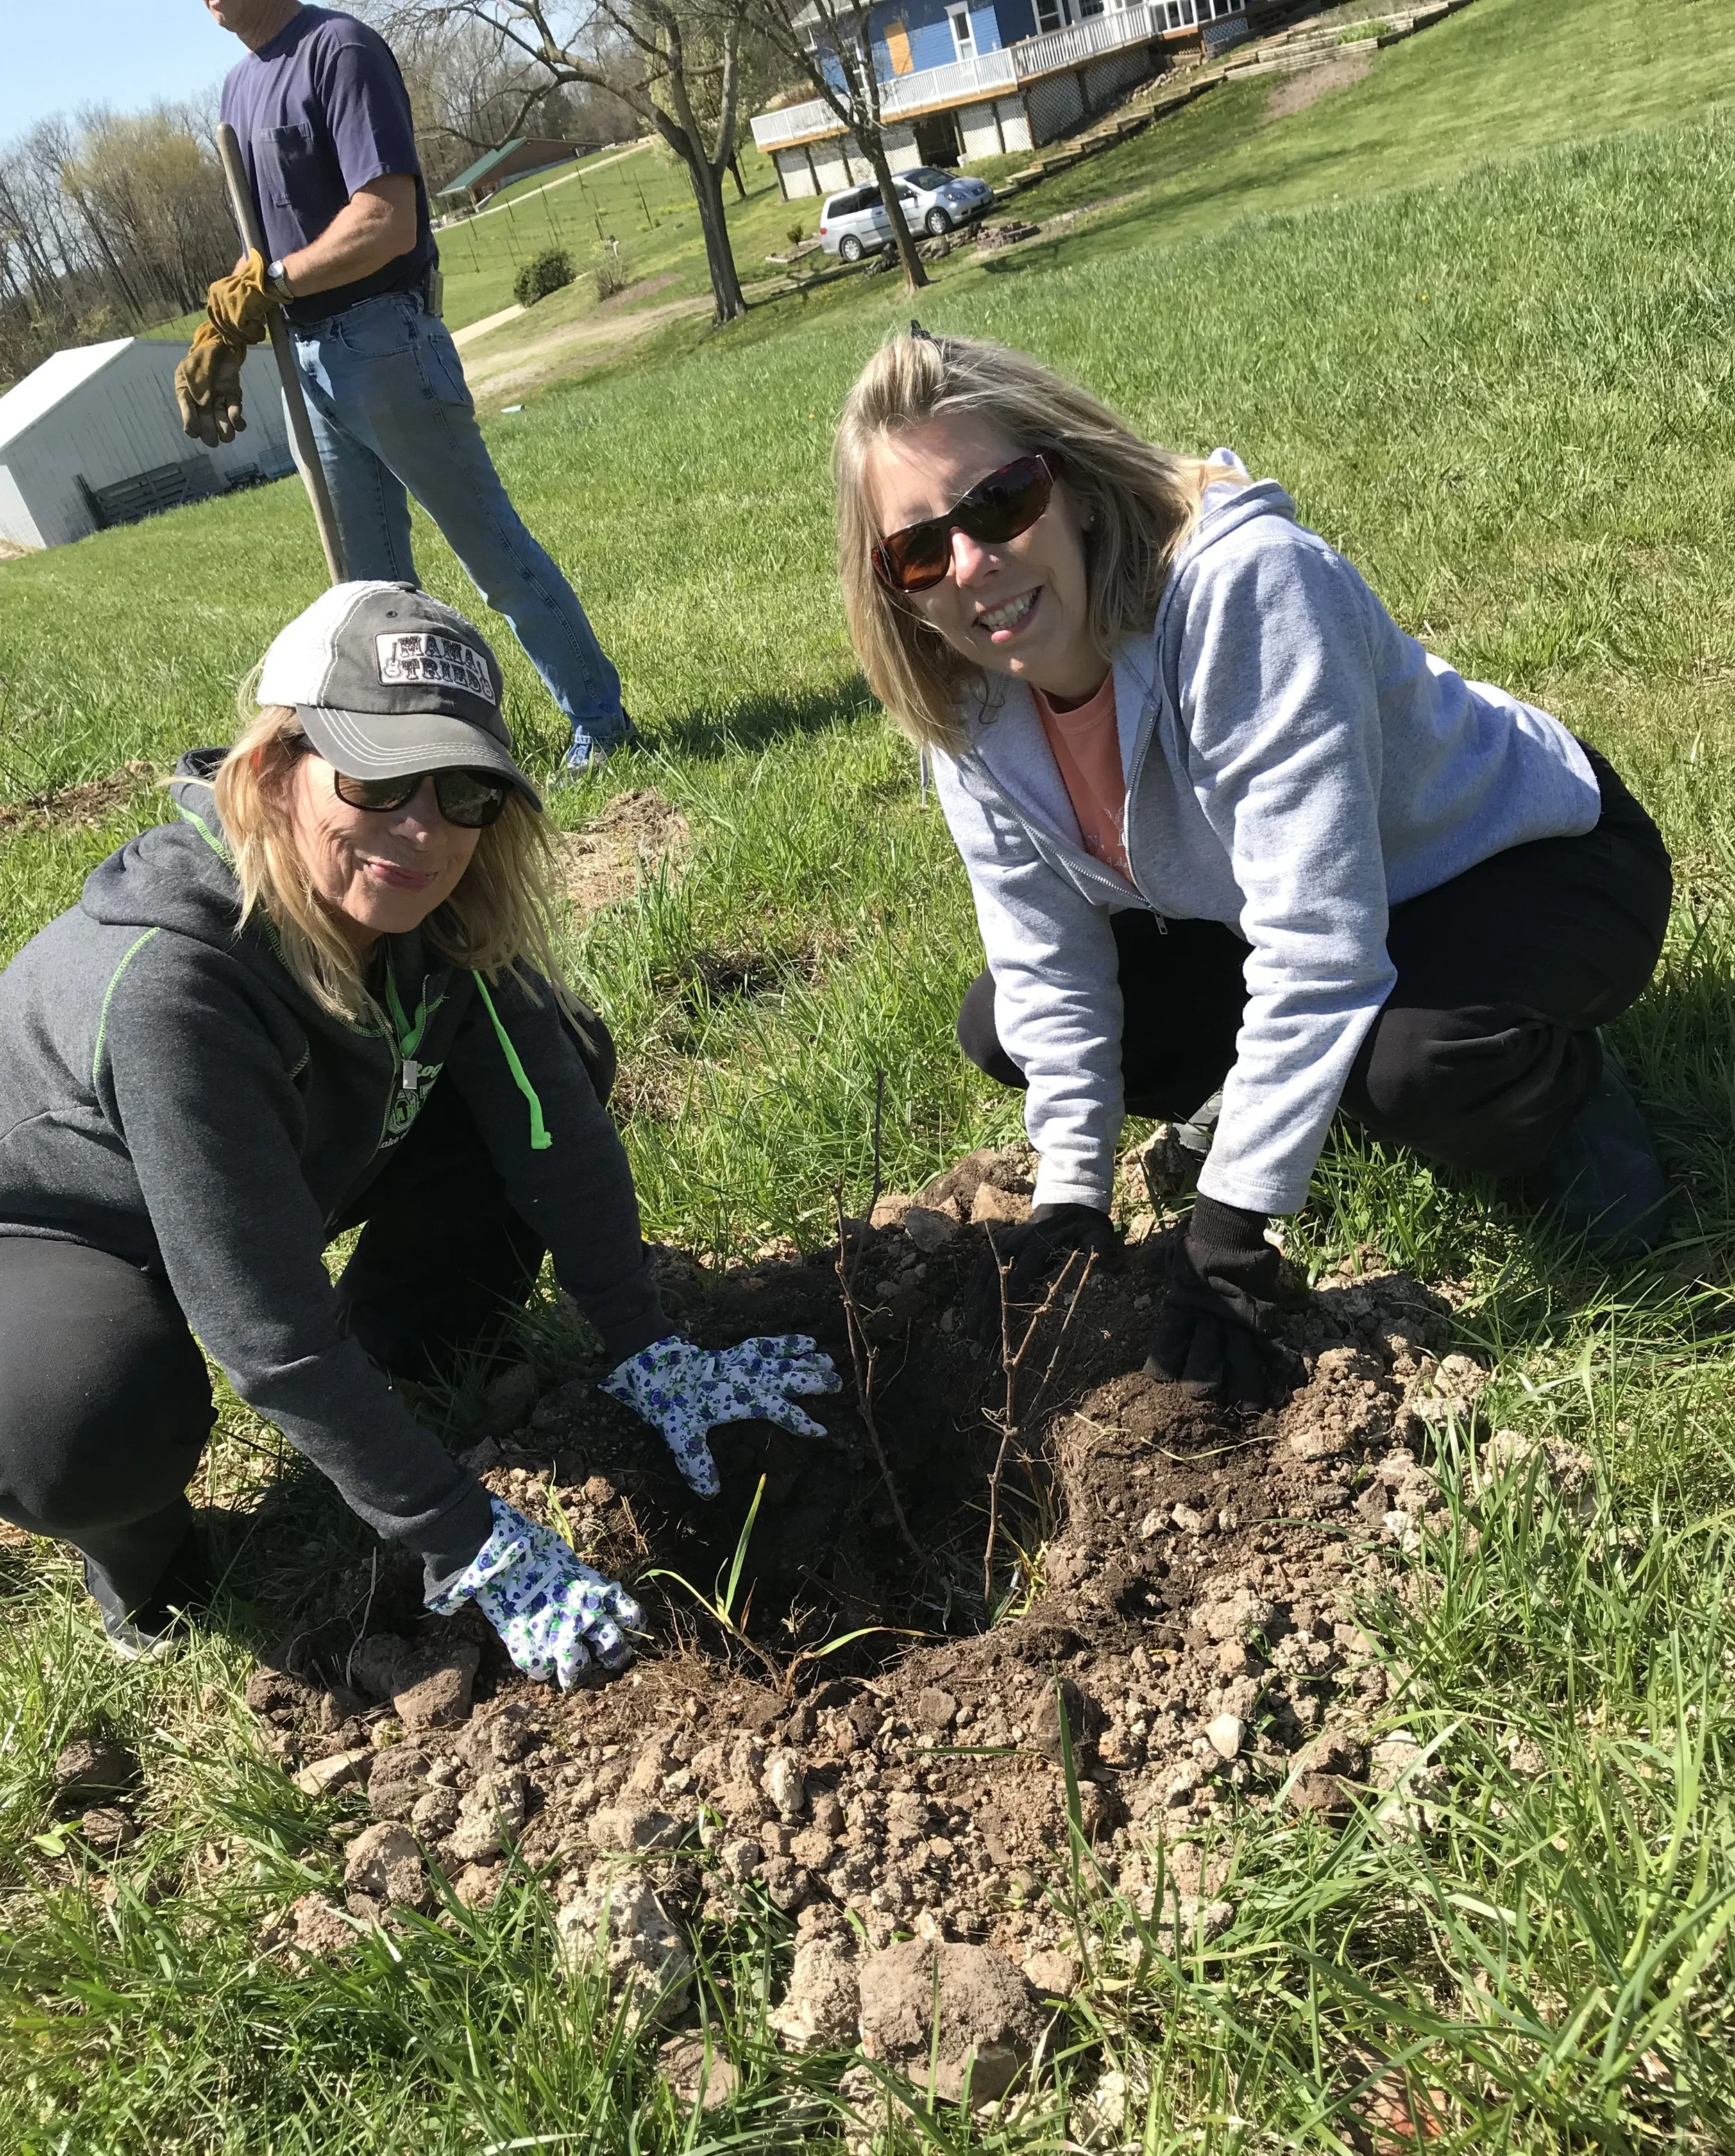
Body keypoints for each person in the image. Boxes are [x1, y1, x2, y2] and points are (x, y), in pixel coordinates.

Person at [833, 327, 1674, 1406]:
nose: (969, 565)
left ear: (1077, 488)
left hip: (1520, 861)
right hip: (1272, 906)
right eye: (916, 551)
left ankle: (1560, 1097)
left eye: (998, 503)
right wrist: (1073, 1201)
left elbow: (1320, 943)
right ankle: (1285, 1094)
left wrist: (1228, 1231)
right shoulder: (970, 705)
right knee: (1000, 1020)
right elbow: (1051, 969)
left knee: (1406, 1067)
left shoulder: (1243, 591)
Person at [0, 582, 836, 1666]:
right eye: (377, 777)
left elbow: (555, 1130)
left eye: (464, 793)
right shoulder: (174, 986)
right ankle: (151, 1565)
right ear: (272, 769)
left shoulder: (434, 904)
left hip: (279, 1155)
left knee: (566, 1056)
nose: (422, 828)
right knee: (77, 1413)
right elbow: (268, 1331)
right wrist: (467, 1537)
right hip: (61, 1232)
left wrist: (648, 1342)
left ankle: (413, 1350)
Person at [176, 0, 632, 771]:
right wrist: (230, 324)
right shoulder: (236, 90)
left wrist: (276, 280)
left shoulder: (339, 50)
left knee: (492, 554)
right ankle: (424, 750)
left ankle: (602, 724)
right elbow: (268, 247)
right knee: (369, 595)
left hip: (381, 337)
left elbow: (385, 219)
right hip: (304, 357)